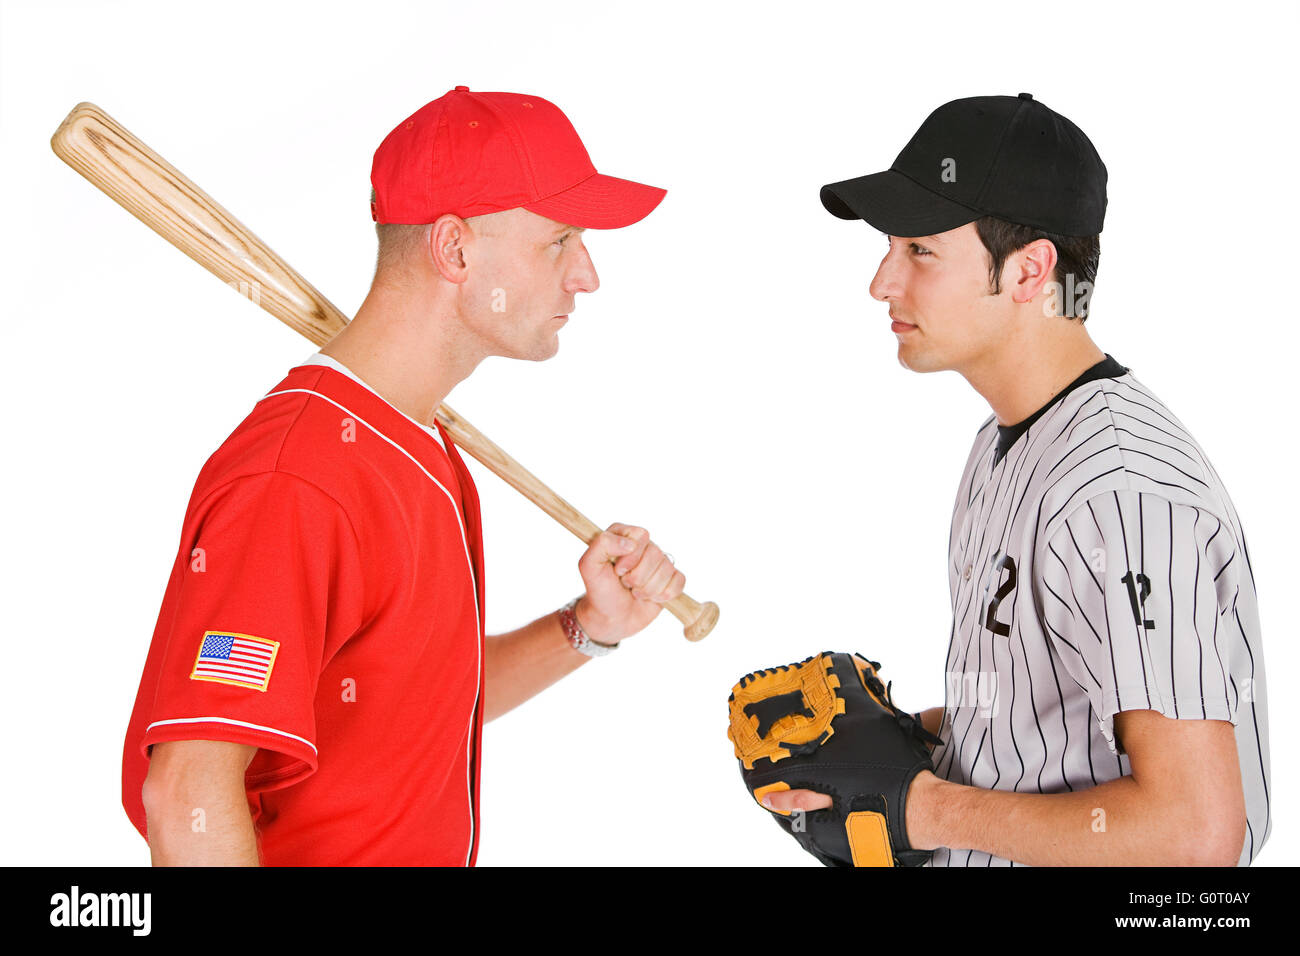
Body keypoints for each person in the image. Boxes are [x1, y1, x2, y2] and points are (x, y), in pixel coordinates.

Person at [121, 86, 685, 866]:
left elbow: (417, 696)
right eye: (558, 240)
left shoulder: (420, 443)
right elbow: (186, 793)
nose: (586, 275)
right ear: (455, 251)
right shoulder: (299, 479)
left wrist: (588, 627)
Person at [763, 92, 1270, 866]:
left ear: (1032, 269)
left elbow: (1194, 837)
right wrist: (891, 744)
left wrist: (927, 811)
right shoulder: (1008, 440)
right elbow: (1049, 721)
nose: (881, 282)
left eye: (920, 251)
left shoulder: (1120, 492)